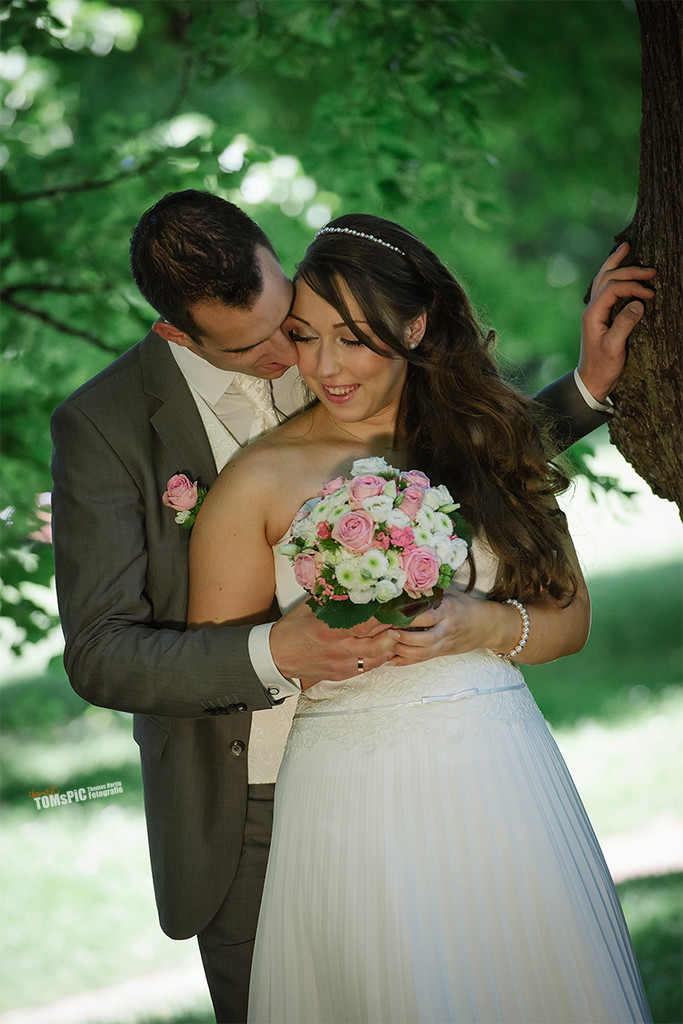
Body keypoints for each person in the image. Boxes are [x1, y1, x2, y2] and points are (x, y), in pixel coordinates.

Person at [50, 190, 654, 1024]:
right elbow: (101, 652)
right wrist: (277, 652)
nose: (291, 358)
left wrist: (584, 388)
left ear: (277, 265)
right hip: (252, 792)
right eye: (256, 344)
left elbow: (456, 464)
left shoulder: (335, 342)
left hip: (476, 763)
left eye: (287, 322)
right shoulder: (105, 427)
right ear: (176, 332)